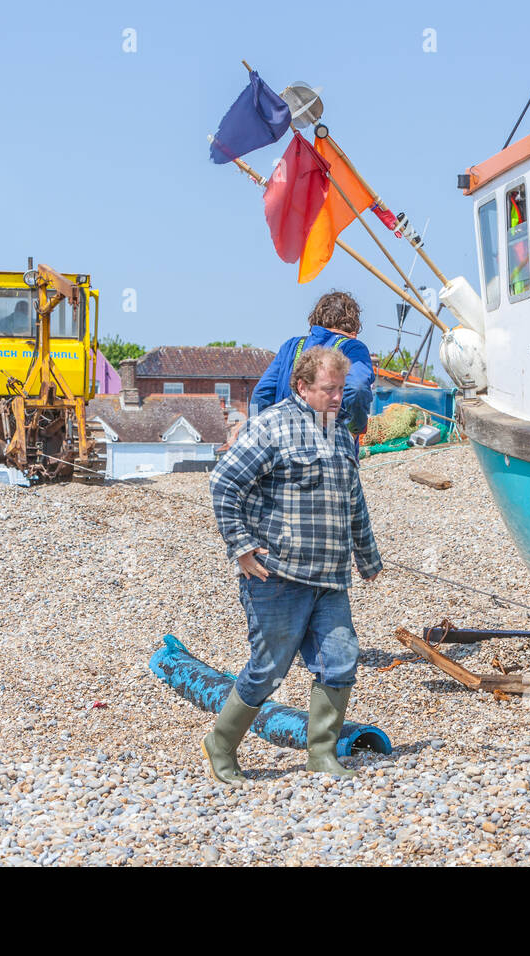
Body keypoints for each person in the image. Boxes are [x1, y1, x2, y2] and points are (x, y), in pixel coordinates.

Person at [205, 346, 382, 786]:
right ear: (302, 387)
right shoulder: (271, 427)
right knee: (268, 670)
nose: (338, 397)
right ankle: (220, 745)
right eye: (329, 389)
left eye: (341, 389)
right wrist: (241, 547)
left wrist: (368, 558)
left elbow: (354, 500)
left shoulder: (340, 433)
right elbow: (224, 482)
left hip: (331, 578)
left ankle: (321, 754)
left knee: (340, 659)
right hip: (276, 576)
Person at [250, 290, 376, 436]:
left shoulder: (292, 346)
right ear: (353, 323)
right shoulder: (352, 348)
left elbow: (261, 394)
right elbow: (357, 388)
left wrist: (258, 434)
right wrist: (356, 426)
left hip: (286, 438)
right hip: (329, 441)